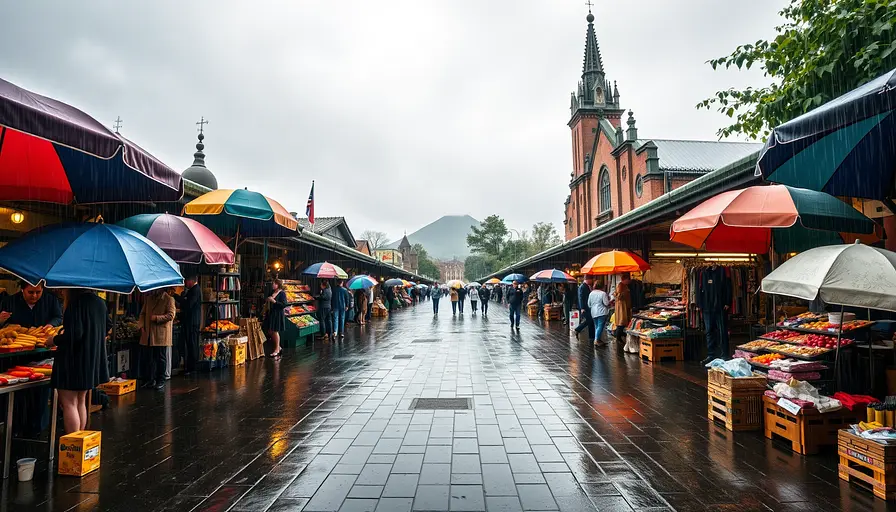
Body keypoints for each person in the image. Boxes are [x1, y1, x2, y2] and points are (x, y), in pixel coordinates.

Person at [1, 282, 63, 437]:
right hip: (15, 356)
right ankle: (14, 428)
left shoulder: (50, 300)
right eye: (30, 292)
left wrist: (50, 325)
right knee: (17, 396)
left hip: (41, 355)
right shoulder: (9, 302)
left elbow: (58, 317)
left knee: (40, 394)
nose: (34, 296)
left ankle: (36, 428)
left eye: (38, 292)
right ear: (22, 290)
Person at [46, 289, 108, 433]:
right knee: (81, 401)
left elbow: (75, 334)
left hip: (72, 362)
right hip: (90, 361)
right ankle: (79, 442)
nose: (62, 291)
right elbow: (107, 326)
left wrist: (54, 339)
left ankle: (73, 444)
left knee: (69, 404)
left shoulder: (75, 305)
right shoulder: (100, 303)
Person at [138, 288, 176, 390]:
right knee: (149, 358)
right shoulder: (148, 299)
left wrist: (157, 318)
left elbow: (171, 315)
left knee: (160, 358)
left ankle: (161, 380)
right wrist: (141, 327)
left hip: (160, 334)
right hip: (148, 333)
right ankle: (150, 380)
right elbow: (142, 314)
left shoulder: (169, 299)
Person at [697, 264, 732, 364]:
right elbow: (699, 288)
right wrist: (700, 304)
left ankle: (724, 354)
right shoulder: (703, 272)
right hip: (707, 307)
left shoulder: (723, 271)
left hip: (720, 306)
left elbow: (728, 286)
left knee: (722, 331)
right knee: (709, 331)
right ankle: (711, 355)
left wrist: (727, 302)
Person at [174, 275, 201, 374]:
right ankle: (189, 366)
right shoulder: (191, 290)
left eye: (186, 281)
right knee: (189, 343)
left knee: (192, 343)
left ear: (190, 281)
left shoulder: (195, 290)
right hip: (189, 321)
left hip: (192, 322)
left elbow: (188, 304)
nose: (185, 284)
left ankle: (192, 367)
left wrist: (177, 297)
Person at [266, 279, 287, 356]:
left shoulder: (282, 293)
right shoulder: (272, 292)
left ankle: (277, 349)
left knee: (275, 331)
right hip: (271, 313)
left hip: (278, 314)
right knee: (270, 331)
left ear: (278, 285)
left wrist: (274, 301)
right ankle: (278, 347)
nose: (272, 285)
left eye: (274, 284)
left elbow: (284, 304)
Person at [587, 279, 611, 348]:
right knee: (600, 326)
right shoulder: (603, 293)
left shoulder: (591, 293)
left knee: (596, 326)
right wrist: (609, 300)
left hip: (593, 312)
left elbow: (589, 304)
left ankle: (598, 339)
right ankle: (596, 340)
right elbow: (606, 303)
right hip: (602, 312)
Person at [614, 273, 635, 352]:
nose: (629, 281)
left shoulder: (625, 286)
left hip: (625, 306)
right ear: (625, 279)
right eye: (628, 280)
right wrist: (623, 293)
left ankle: (620, 335)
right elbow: (618, 296)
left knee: (623, 322)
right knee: (621, 322)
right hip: (621, 307)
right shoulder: (620, 285)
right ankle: (618, 337)